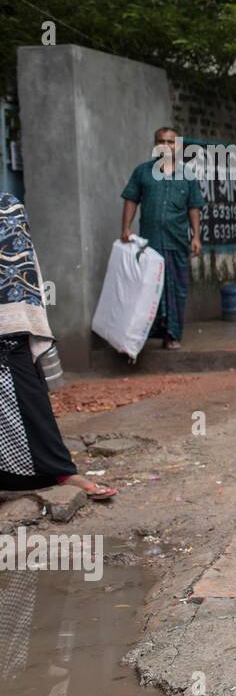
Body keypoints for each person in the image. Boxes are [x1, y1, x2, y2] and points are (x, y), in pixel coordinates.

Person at [2, 195, 116, 501]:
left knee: (27, 399)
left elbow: (20, 273)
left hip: (8, 329)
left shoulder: (7, 208)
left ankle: (61, 472)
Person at [120, 126, 205, 350]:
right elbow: (131, 199)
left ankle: (172, 334)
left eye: (170, 142)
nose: (165, 146)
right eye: (161, 141)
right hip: (151, 243)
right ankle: (149, 332)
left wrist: (196, 237)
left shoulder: (187, 175)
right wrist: (126, 228)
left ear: (177, 146)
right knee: (149, 288)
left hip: (177, 241)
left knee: (176, 288)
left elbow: (194, 208)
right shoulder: (142, 172)